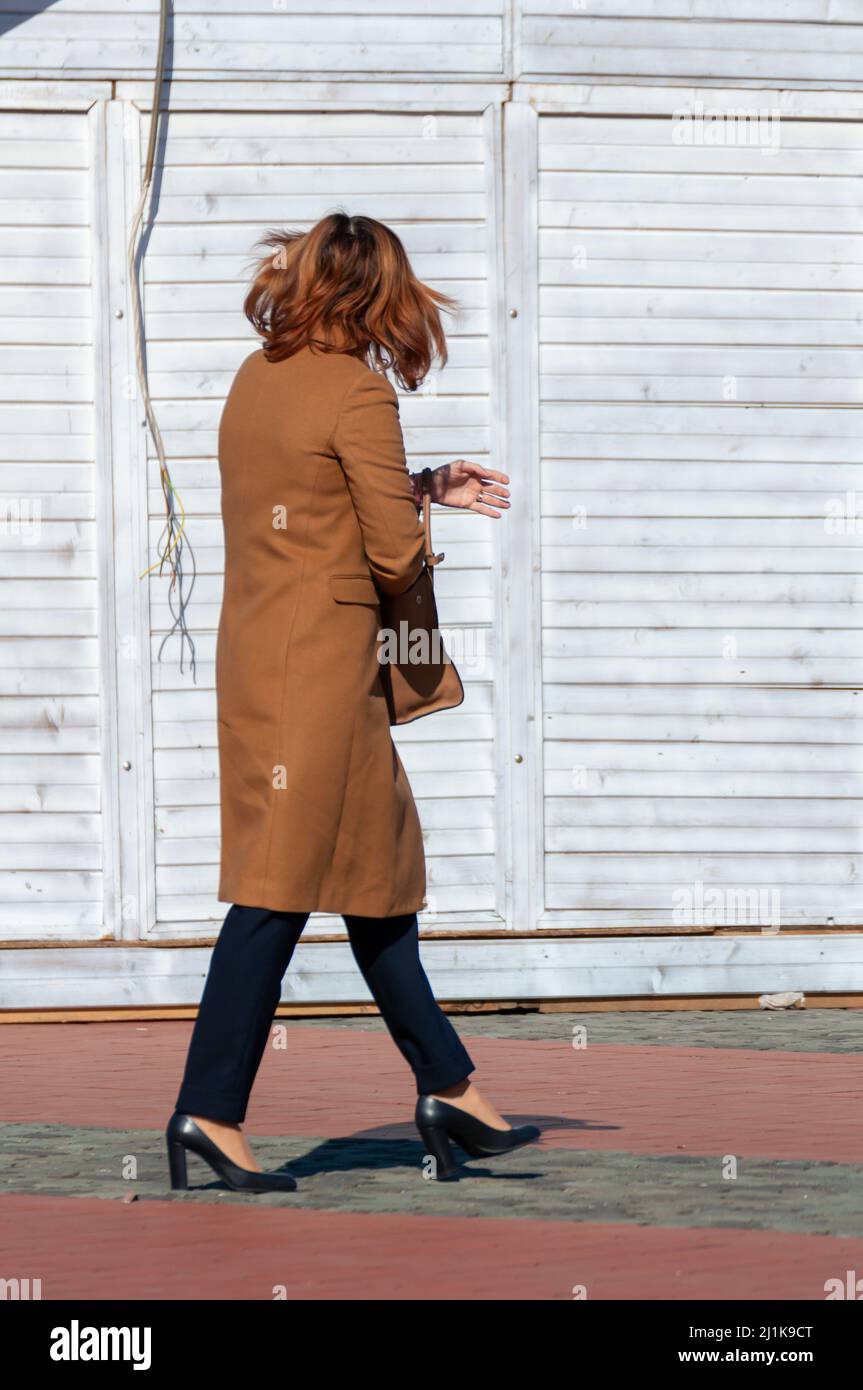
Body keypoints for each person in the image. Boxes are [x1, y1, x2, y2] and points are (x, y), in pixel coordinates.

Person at [167, 211, 539, 1191]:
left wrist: (416, 482)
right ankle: (206, 1110)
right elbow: (383, 551)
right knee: (277, 889)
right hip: (325, 675)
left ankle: (447, 1084)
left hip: (261, 660)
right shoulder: (358, 392)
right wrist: (418, 512)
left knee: (376, 874)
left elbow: (312, 500)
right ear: (373, 294)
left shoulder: (259, 378)